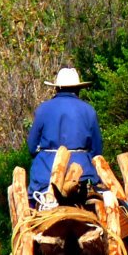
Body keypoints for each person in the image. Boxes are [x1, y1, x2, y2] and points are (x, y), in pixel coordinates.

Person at [27, 67, 103, 205]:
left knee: (31, 204)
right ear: (78, 89)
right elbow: (97, 150)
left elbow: (32, 147)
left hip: (45, 175)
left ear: (57, 88)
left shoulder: (43, 109)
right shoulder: (88, 110)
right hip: (82, 175)